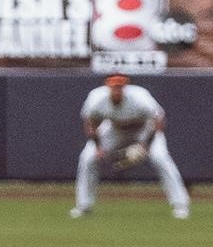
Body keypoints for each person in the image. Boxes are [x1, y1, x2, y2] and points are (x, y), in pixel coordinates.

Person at [71, 74, 189, 220]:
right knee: (88, 158)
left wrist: (145, 146)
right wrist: (98, 147)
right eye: (114, 86)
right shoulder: (96, 98)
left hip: (144, 129)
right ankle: (84, 206)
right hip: (114, 130)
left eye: (120, 86)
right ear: (108, 87)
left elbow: (158, 120)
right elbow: (90, 124)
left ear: (125, 87)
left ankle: (180, 205)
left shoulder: (140, 97)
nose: (117, 89)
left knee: (160, 158)